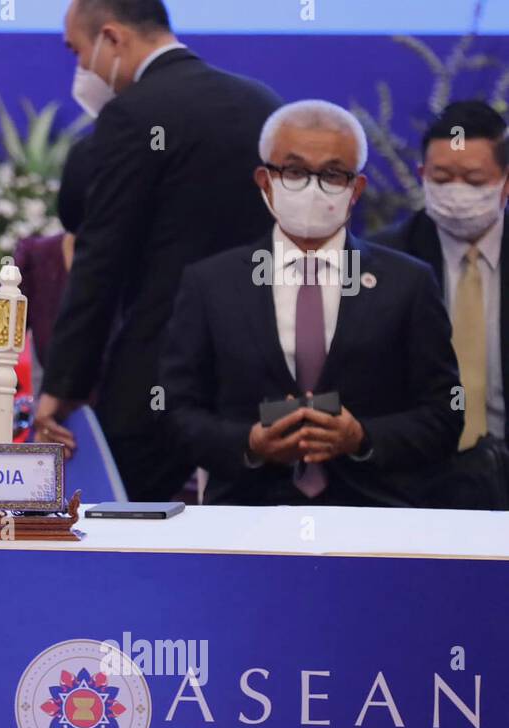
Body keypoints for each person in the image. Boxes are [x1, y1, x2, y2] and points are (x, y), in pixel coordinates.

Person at [34, 0, 282, 501]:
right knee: (255, 526)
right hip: (263, 366)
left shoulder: (133, 113)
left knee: (118, 523)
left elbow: (101, 258)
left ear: (112, 38)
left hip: (162, 363)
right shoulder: (263, 103)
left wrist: (62, 387)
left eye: (77, 51)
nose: (81, 68)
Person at [160, 100, 462, 507]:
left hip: (373, 518)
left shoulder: (407, 283)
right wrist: (249, 443)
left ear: (355, 190)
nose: (313, 187)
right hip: (246, 517)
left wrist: (362, 438)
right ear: (265, 181)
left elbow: (445, 414)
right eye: (296, 171)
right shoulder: (210, 284)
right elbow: (175, 411)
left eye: (333, 174)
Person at [371, 100, 509, 509]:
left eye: (473, 179)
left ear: (505, 181)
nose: (456, 193)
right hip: (411, 479)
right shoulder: (379, 261)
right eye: (442, 177)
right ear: (421, 176)